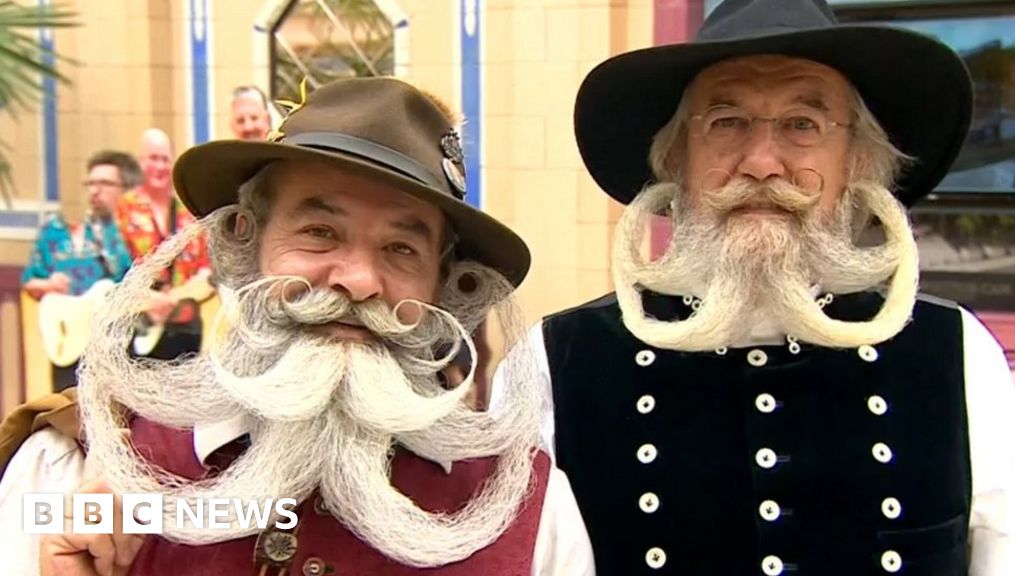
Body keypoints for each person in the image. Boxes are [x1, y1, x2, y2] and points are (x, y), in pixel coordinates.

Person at [501, 0, 1015, 574]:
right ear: (676, 158)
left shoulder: (960, 356)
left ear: (857, 163)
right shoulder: (554, 365)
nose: (761, 162)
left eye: (803, 124)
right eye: (726, 122)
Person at [11, 77, 593, 575]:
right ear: (245, 243)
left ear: (443, 290)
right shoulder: (70, 476)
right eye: (320, 232)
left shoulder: (530, 512)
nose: (360, 279)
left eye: (401, 248)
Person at [21, 150, 139, 390]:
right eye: (91, 183)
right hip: (68, 339)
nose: (95, 191)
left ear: (126, 190)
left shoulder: (134, 233)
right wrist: (48, 284)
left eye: (105, 184)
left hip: (114, 341)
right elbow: (30, 281)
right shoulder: (56, 233)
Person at [116, 128, 212, 360]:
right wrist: (149, 301)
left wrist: (178, 296)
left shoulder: (187, 214)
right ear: (141, 162)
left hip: (184, 325)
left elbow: (204, 267)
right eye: (153, 158)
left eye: (164, 159)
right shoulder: (125, 209)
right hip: (139, 324)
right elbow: (114, 269)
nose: (159, 166)